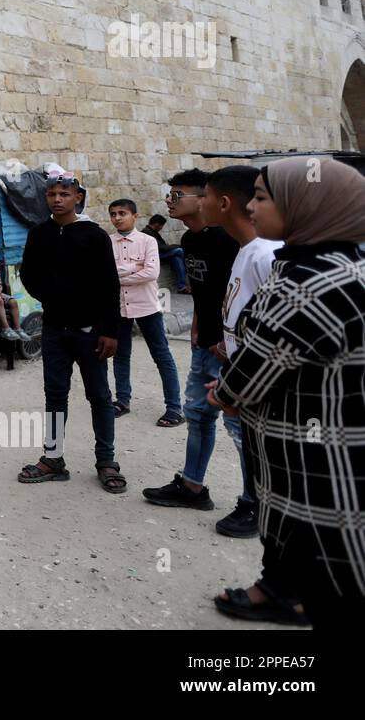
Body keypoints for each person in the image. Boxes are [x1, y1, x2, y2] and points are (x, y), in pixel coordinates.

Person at [209, 158, 365, 630]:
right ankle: (279, 592)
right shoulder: (341, 266)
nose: (251, 208)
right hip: (329, 440)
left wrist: (226, 388)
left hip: (314, 457)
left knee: (334, 584)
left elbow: (245, 383)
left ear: (306, 204)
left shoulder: (305, 285)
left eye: (261, 197)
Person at [142, 169, 248, 523]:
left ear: (204, 199)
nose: (169, 201)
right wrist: (199, 332)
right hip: (205, 346)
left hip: (231, 350)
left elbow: (244, 297)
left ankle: (255, 503)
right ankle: (192, 487)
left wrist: (229, 342)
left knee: (239, 427)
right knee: (199, 415)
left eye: (177, 195)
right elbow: (205, 293)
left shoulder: (231, 241)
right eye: (169, 195)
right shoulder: (190, 241)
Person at [17, 172, 124, 494]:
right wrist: (52, 295)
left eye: (64, 194)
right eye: (51, 194)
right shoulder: (39, 234)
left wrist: (110, 331)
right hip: (54, 331)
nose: (57, 199)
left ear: (78, 197)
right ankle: (53, 459)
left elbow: (109, 285)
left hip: (91, 333)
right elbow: (28, 274)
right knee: (55, 395)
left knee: (100, 397)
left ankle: (106, 461)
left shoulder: (94, 235)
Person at [107, 199, 182, 426]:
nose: (117, 218)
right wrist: (132, 268)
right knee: (121, 355)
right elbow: (103, 272)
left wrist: (117, 274)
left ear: (135, 216)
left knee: (161, 355)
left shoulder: (148, 241)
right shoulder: (106, 242)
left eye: (122, 213)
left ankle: (174, 408)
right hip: (119, 307)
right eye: (113, 214)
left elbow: (151, 273)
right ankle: (122, 401)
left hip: (147, 306)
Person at [144, 213, 189, 293]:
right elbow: (161, 248)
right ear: (157, 224)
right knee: (179, 250)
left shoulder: (152, 232)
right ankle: (189, 269)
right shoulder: (147, 233)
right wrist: (177, 246)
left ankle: (181, 286)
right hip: (154, 256)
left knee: (177, 258)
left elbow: (163, 247)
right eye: (161, 226)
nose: (161, 228)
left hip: (160, 254)